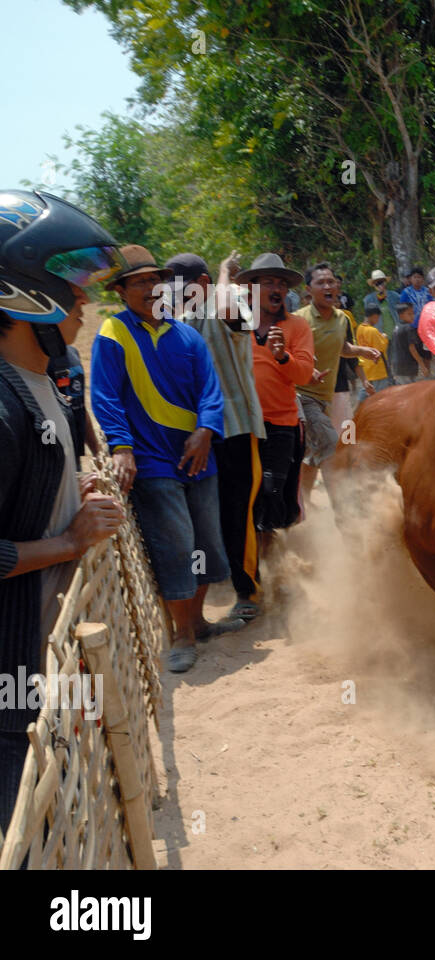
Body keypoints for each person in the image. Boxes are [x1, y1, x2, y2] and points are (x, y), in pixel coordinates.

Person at [1, 189, 127, 823]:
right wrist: (69, 541)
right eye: (72, 282)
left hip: (48, 649)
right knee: (27, 822)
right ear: (23, 293)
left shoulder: (41, 377)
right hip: (12, 675)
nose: (84, 298)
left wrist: (59, 493)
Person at [91, 245, 232, 673]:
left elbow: (211, 389)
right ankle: (182, 635)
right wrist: (122, 446)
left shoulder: (187, 334)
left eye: (156, 280)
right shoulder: (112, 332)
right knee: (175, 546)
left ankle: (200, 622)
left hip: (199, 456)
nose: (151, 288)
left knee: (206, 543)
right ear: (121, 291)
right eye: (140, 282)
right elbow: (105, 397)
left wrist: (206, 431)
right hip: (151, 461)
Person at [166, 251, 267, 625]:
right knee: (214, 515)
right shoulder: (182, 320)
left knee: (240, 513)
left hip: (237, 428)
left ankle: (250, 592)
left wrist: (225, 272)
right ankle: (229, 582)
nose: (175, 295)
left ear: (205, 284)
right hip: (201, 437)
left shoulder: (230, 303)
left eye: (182, 288)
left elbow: (232, 309)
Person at [294, 262, 381, 516]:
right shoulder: (299, 320)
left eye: (331, 281)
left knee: (311, 455)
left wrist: (361, 351)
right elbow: (285, 354)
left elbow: (342, 347)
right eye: (321, 282)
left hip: (326, 398)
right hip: (301, 397)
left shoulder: (342, 319)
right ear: (308, 289)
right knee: (333, 447)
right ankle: (346, 515)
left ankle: (301, 509)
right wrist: (304, 368)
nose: (328, 286)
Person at [239, 253, 313, 545]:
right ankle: (251, 568)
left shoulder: (297, 327)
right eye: (268, 282)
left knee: (273, 494)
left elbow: (305, 374)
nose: (276, 288)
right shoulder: (236, 327)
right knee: (245, 495)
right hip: (240, 426)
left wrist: (283, 356)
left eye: (281, 284)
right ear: (252, 289)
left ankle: (281, 569)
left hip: (280, 425)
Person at [357, 305, 391, 392]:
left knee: (368, 391)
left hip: (366, 367)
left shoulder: (359, 328)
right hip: (377, 369)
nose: (378, 320)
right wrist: (384, 337)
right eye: (378, 317)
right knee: (380, 394)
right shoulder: (373, 331)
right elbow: (381, 348)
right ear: (375, 316)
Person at [389, 301, 425, 384]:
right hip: (407, 367)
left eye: (412, 313)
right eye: (409, 314)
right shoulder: (409, 328)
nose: (413, 316)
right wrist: (422, 365)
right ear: (401, 316)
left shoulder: (396, 328)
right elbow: (412, 348)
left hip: (397, 367)